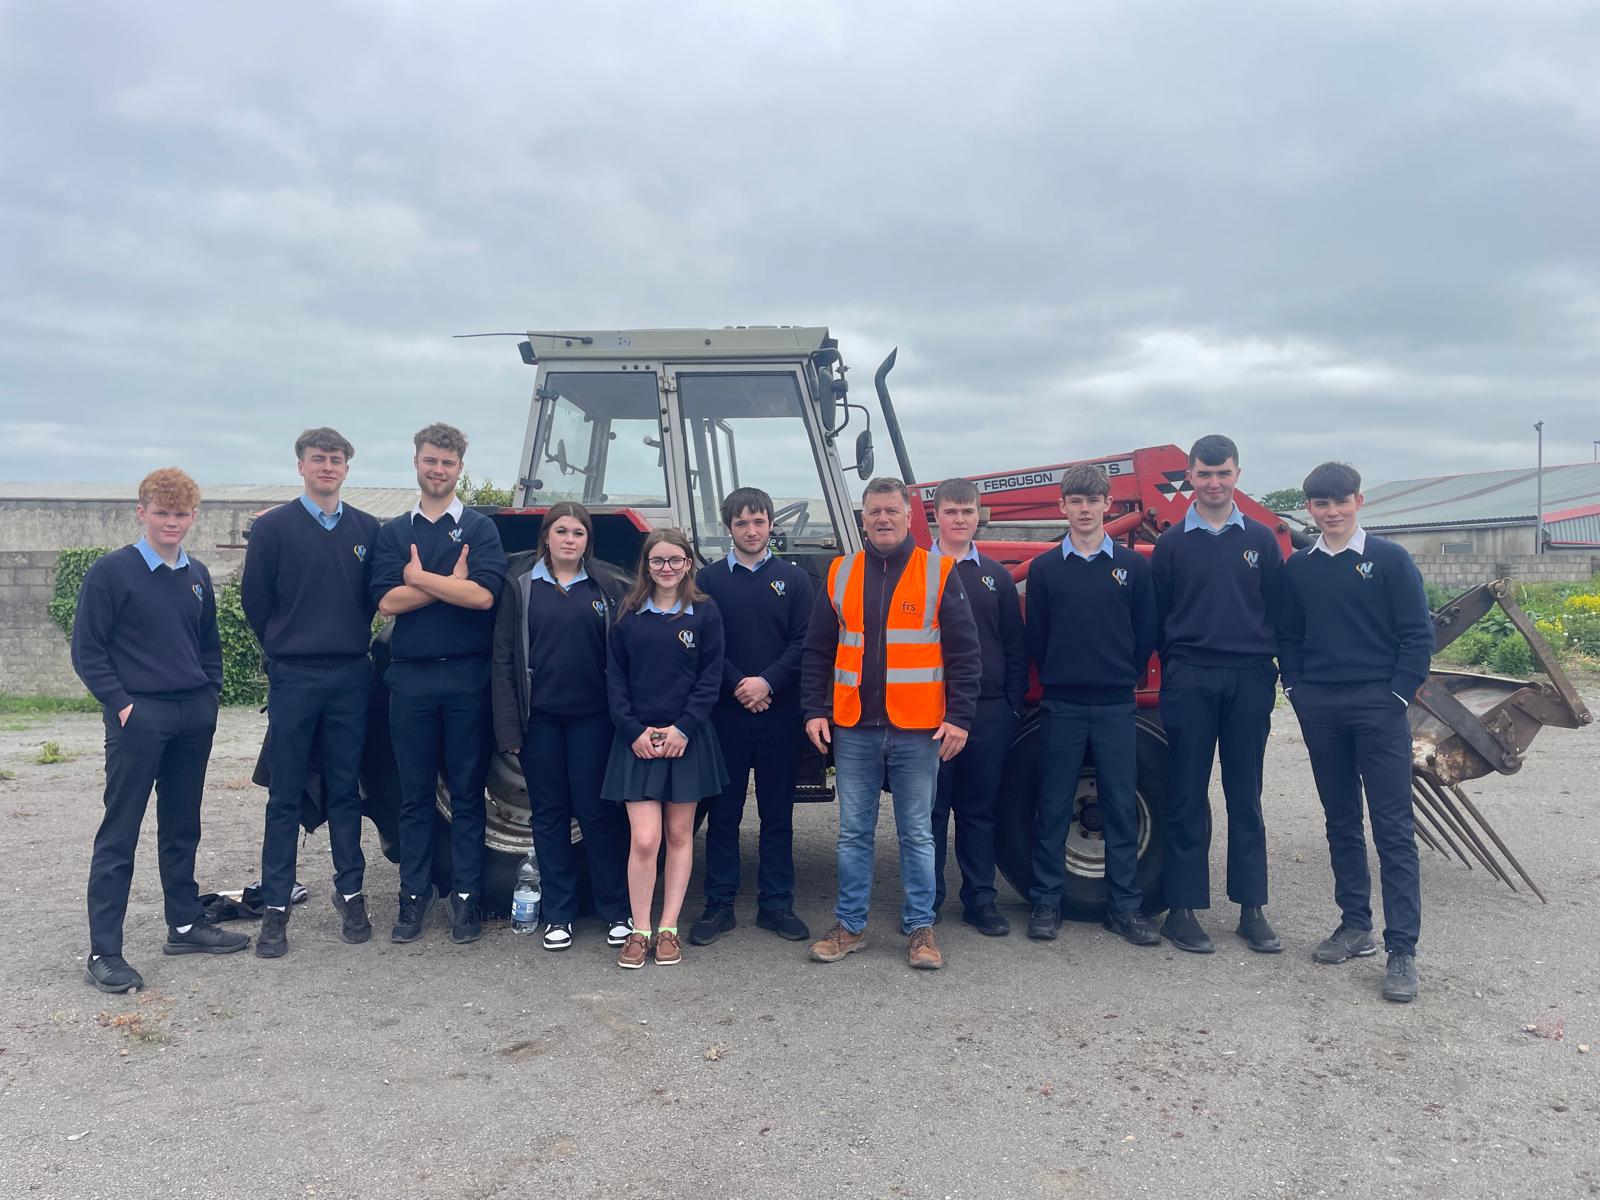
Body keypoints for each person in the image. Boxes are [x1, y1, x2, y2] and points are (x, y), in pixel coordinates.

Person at [72, 468, 249, 992]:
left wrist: (209, 695)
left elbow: (207, 644)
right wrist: (123, 705)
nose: (171, 522)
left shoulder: (194, 574)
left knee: (181, 825)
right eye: (162, 512)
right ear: (141, 512)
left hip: (191, 717)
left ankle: (186, 924)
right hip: (138, 719)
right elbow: (88, 651)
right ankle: (104, 951)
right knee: (119, 833)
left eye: (181, 514)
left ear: (193, 518)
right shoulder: (112, 573)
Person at [801, 477, 982, 971]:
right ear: (863, 518)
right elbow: (817, 650)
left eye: (891, 511)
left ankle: (921, 928)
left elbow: (965, 653)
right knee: (853, 834)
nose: (883, 519)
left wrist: (960, 718)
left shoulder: (938, 571)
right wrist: (814, 710)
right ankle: (850, 926)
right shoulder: (840, 573)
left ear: (909, 517)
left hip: (918, 728)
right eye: (874, 511)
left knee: (917, 834)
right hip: (854, 727)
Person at [1278, 462, 1433, 1003]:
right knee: (1341, 821)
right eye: (1321, 505)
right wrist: (1297, 689)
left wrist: (1394, 695)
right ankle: (1354, 925)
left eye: (1340, 501)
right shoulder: (1299, 569)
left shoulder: (1389, 561)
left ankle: (1403, 951)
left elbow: (1418, 636)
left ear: (1359, 502)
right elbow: (1288, 636)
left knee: (1393, 828)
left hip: (1378, 707)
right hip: (1321, 707)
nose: (1332, 511)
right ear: (1311, 511)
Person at [241, 427, 381, 958]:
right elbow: (257, 599)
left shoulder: (367, 528)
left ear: (347, 468)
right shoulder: (273, 528)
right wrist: (287, 646)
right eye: (319, 459)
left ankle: (351, 893)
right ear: (301, 465)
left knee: (346, 788)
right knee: (286, 792)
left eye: (337, 459)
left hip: (350, 674)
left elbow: (370, 600)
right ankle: (275, 909)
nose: (328, 467)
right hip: (294, 677)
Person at [370, 422, 508, 946]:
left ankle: (466, 901)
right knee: (414, 795)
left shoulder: (480, 528)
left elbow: (484, 598)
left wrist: (420, 579)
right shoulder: (392, 532)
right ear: (417, 463)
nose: (438, 469)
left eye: (447, 463)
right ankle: (412, 898)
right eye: (431, 460)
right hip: (410, 679)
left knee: (469, 794)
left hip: (466, 678)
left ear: (459, 469)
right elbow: (387, 602)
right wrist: (452, 581)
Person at [1150, 434, 1284, 955]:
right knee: (1185, 794)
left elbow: (1278, 609)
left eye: (1222, 473)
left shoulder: (1260, 541)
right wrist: (1180, 664)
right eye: (1203, 474)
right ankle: (1181, 911)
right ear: (1189, 477)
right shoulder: (1172, 544)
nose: (1213, 483)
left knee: (1245, 795)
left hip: (1249, 678)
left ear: (1237, 475)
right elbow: (1156, 615)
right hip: (1190, 679)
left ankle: (1252, 909)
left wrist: (1273, 671)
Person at [1023, 463, 1160, 945]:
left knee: (1121, 805)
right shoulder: (1044, 570)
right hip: (1061, 703)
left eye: (1093, 500)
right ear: (1062, 507)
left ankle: (1125, 908)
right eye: (1075, 501)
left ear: (1107, 505)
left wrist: (1121, 672)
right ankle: (1045, 901)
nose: (1084, 509)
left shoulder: (1134, 568)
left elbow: (1146, 632)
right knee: (1054, 803)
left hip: (1115, 705)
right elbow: (1035, 637)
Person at [490, 501, 633, 954]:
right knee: (550, 817)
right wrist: (509, 729)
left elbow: (621, 656)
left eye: (578, 533)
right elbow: (505, 660)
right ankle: (559, 914)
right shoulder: (521, 586)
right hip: (542, 721)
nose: (570, 540)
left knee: (597, 814)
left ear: (588, 542)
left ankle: (616, 911)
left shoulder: (606, 585)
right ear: (546, 537)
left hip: (593, 720)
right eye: (562, 531)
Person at [689, 488, 817, 946]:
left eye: (759, 521)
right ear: (729, 528)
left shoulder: (794, 580)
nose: (751, 530)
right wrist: (740, 683)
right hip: (726, 716)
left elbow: (805, 641)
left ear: (769, 526)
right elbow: (703, 643)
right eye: (742, 523)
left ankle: (776, 905)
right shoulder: (706, 581)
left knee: (777, 815)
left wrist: (767, 682)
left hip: (779, 715)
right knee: (723, 815)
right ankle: (719, 905)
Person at [601, 529, 728, 969]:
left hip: (686, 740)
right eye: (658, 561)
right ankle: (640, 929)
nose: (667, 568)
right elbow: (614, 679)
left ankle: (668, 928)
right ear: (646, 566)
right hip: (635, 740)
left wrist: (683, 729)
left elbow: (710, 679)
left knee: (678, 835)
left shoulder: (705, 613)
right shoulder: (628, 613)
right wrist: (633, 730)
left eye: (675, 560)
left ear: (689, 563)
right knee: (644, 838)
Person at [926, 478, 1027, 937]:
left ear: (978, 516)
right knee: (928, 811)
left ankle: (980, 901)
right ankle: (925, 901)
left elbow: (1013, 645)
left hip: (987, 713)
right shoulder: (917, 571)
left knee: (978, 810)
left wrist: (1010, 706)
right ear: (936, 516)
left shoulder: (996, 577)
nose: (960, 519)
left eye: (968, 511)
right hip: (927, 712)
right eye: (951, 511)